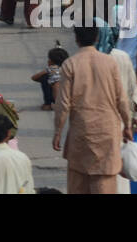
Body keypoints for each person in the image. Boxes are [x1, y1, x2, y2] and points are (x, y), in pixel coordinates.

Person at [53, 23, 132, 195]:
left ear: (76, 38)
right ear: (97, 38)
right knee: (105, 183)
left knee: (78, 184)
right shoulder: (110, 63)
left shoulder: (70, 64)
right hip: (107, 133)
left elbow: (63, 104)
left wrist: (58, 132)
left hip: (81, 133)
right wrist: (128, 125)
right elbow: (122, 99)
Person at [31, 45, 68, 110]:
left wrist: (43, 76)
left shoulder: (50, 69)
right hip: (68, 97)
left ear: (51, 61)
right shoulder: (67, 69)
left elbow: (33, 77)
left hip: (57, 99)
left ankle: (48, 104)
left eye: (49, 59)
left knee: (44, 78)